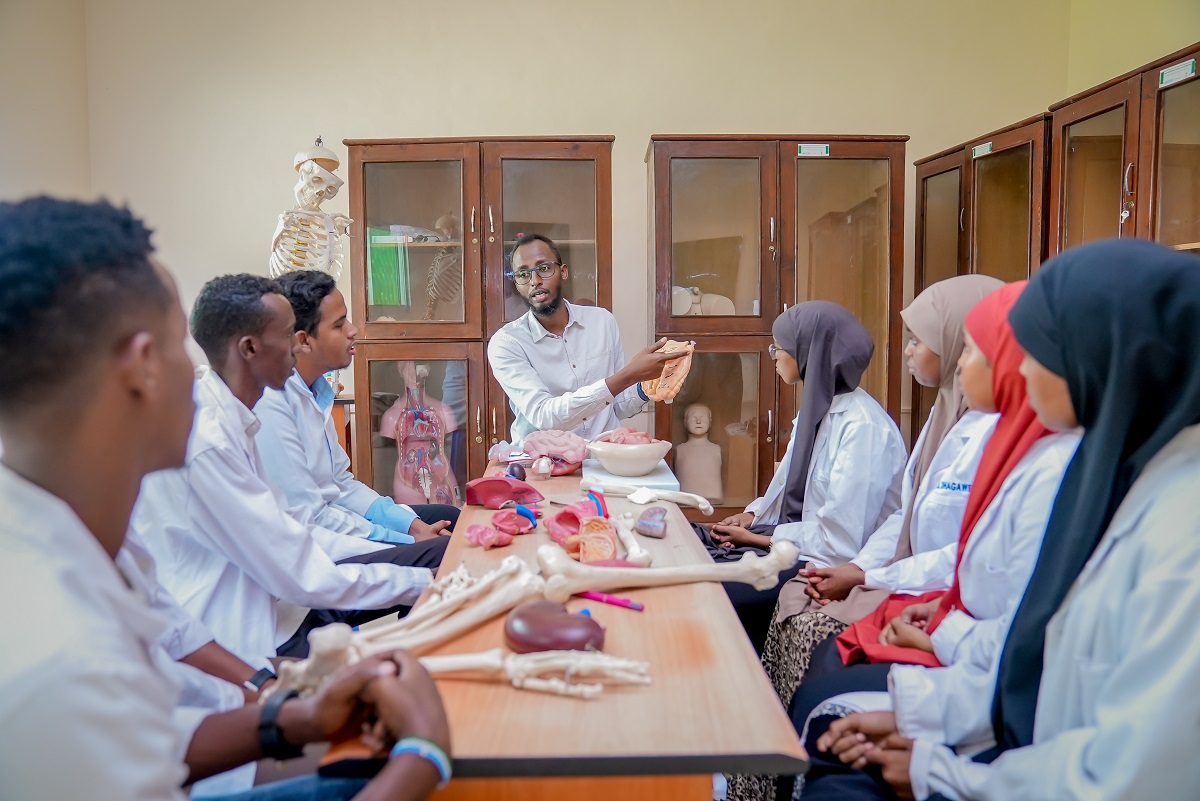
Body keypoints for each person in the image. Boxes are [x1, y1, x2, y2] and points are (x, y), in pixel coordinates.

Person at [0, 196, 450, 801]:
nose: (200, 375)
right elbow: (300, 566)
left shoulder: (67, 530)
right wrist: (423, 758)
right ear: (141, 367)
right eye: (177, 348)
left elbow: (155, 709)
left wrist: (288, 715)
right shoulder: (59, 664)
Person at [811, 239, 1200, 801]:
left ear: (1098, 353)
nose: (1021, 362)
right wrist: (922, 715)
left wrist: (943, 772)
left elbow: (1131, 775)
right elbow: (1046, 667)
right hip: (1018, 747)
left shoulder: (1179, 529)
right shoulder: (1129, 474)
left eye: (1038, 347)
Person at [726, 275, 1002, 801]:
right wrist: (758, 524)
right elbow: (903, 523)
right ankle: (754, 778)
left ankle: (770, 778)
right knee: (752, 589)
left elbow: (849, 539)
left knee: (792, 625)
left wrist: (855, 570)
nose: (908, 353)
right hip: (891, 575)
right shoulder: (936, 424)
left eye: (922, 341)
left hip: (921, 592)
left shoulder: (871, 428)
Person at [133, 274, 448, 667]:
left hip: (283, 600)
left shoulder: (239, 418)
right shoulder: (211, 440)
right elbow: (299, 567)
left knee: (434, 562)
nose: (298, 347)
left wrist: (409, 549)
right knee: (434, 576)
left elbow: (302, 523)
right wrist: (428, 577)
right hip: (253, 634)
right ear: (248, 348)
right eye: (289, 337)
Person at [703, 301, 907, 653]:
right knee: (699, 550)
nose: (774, 356)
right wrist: (753, 516)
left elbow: (839, 546)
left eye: (778, 348)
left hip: (827, 563)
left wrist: (758, 540)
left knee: (712, 592)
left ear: (810, 352)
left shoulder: (863, 429)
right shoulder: (819, 410)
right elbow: (787, 490)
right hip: (799, 543)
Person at [255, 269, 458, 546]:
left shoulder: (318, 393)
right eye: (339, 325)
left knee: (450, 515)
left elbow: (341, 483)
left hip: (338, 520)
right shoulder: (272, 405)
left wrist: (411, 526)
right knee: (443, 547)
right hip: (319, 544)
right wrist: (404, 539)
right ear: (303, 340)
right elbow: (311, 519)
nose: (353, 330)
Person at [486, 233, 674, 443]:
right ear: (516, 282)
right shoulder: (507, 343)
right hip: (544, 464)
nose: (535, 281)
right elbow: (545, 417)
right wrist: (630, 374)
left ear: (563, 271)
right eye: (523, 274)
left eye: (544, 268)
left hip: (603, 456)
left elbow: (616, 405)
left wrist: (650, 384)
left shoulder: (602, 321)